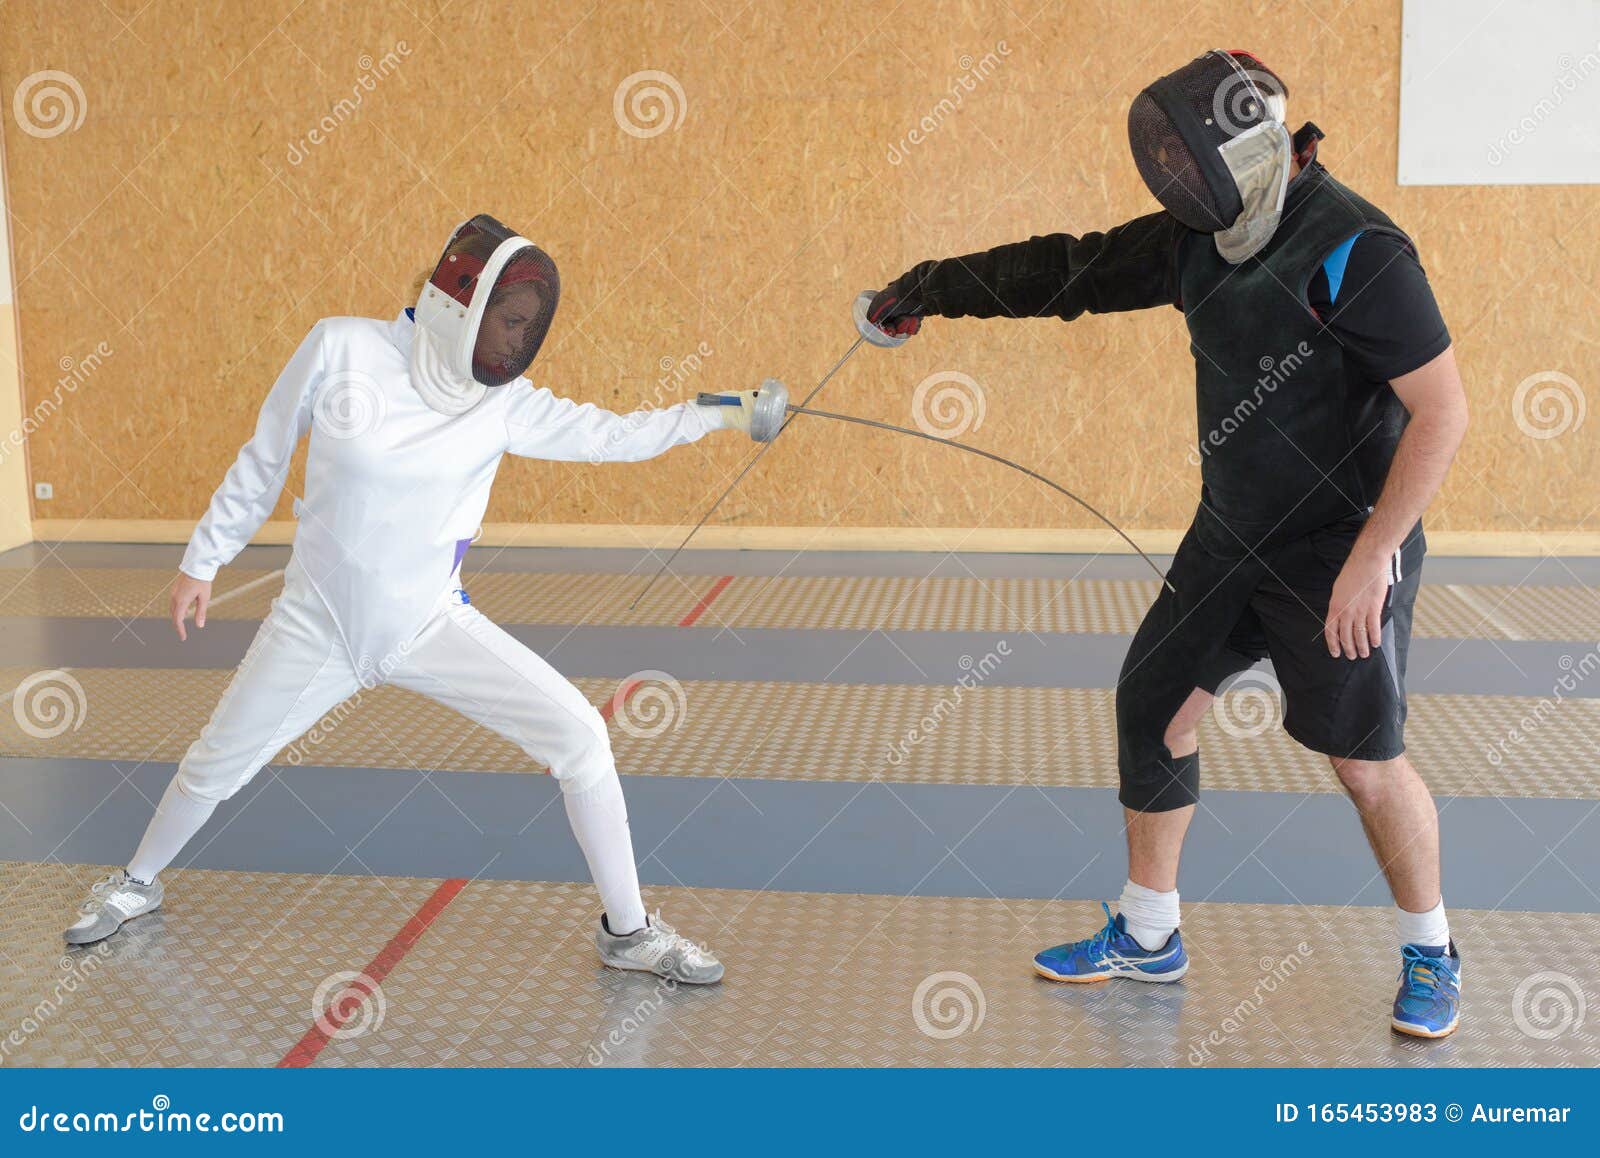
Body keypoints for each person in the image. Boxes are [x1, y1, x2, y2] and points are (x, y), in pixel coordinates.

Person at [865, 51, 1468, 1037]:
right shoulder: (1201, 235)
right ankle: (1149, 934)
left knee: (1363, 764)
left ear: (1252, 149)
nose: (1177, 184)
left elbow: (1441, 413)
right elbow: (1066, 270)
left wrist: (1373, 557)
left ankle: (1430, 949)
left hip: (1338, 550)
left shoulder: (1358, 250)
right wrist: (928, 285)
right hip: (1230, 531)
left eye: (1191, 166)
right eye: (1169, 169)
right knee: (1153, 709)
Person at [63, 214, 770, 985]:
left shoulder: (503, 403)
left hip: (430, 623)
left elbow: (612, 436)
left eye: (526, 327)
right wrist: (203, 560)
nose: (514, 341)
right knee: (214, 763)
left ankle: (627, 934)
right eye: (508, 320)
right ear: (457, 303)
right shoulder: (341, 348)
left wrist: (722, 411)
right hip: (317, 624)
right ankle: (136, 882)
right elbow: (266, 453)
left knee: (581, 739)